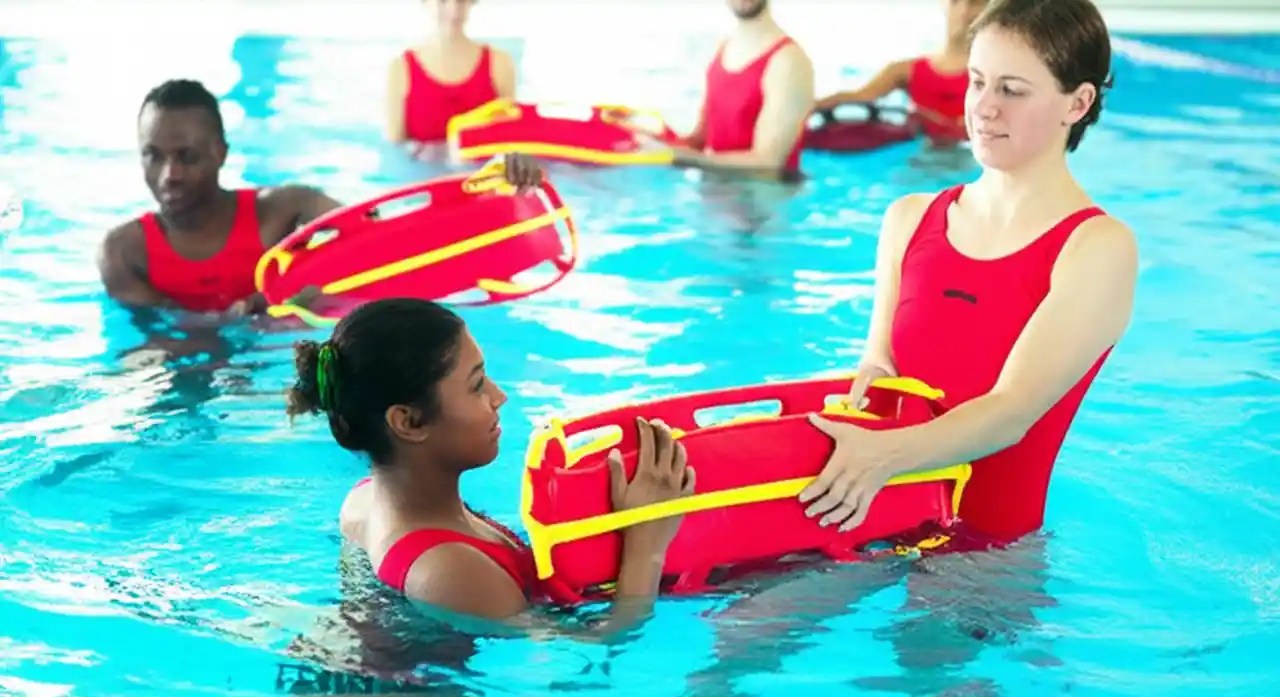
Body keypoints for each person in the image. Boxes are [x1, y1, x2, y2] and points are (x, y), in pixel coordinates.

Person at [800, 0, 1136, 545]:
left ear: (1077, 103)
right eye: (977, 81)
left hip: (983, 564)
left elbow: (1010, 415)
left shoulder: (1097, 247)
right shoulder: (908, 221)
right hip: (869, 516)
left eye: (1012, 89)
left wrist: (881, 456)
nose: (983, 108)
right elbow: (878, 369)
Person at [285, 298, 698, 621]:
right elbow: (594, 671)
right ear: (408, 422)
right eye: (477, 385)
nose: (500, 397)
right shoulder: (450, 570)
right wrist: (646, 546)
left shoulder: (365, 500)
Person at [97, 79, 344, 316]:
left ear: (220, 153)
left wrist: (296, 291)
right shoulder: (125, 254)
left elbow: (371, 237)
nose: (169, 175)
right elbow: (154, 345)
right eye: (154, 156)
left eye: (187, 156)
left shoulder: (285, 212)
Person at [671, 0, 816, 182]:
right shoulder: (722, 48)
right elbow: (700, 140)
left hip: (763, 204)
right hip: (715, 196)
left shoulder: (789, 62)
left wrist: (690, 160)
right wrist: (649, 143)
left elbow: (768, 163)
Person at [813, 0, 989, 145]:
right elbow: (859, 97)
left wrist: (925, 117)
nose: (964, 10)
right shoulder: (906, 70)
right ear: (943, 4)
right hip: (918, 156)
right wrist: (806, 107)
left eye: (975, 3)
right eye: (956, 2)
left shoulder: (992, 76)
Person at [383, 0, 517, 146]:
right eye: (443, 1)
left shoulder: (500, 64)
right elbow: (395, 149)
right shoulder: (400, 69)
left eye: (460, 1)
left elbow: (512, 140)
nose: (454, 11)